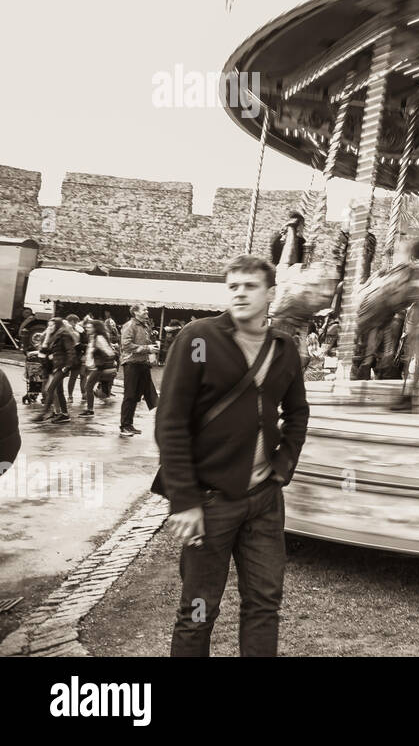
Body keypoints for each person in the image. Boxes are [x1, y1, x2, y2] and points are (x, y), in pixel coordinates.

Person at [153, 254, 310, 657]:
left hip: (263, 501)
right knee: (199, 610)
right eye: (233, 286)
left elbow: (297, 412)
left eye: (250, 286)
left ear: (270, 294)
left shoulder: (283, 348)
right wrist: (184, 501)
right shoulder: (199, 338)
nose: (239, 293)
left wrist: (283, 466)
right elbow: (170, 422)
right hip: (209, 500)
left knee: (264, 604)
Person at [119, 303, 157, 437]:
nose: (147, 311)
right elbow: (126, 345)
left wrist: (150, 350)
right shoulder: (129, 326)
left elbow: (144, 343)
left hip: (143, 363)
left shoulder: (145, 326)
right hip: (132, 363)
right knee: (130, 395)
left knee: (136, 396)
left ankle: (129, 424)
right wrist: (147, 349)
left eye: (147, 309)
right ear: (135, 312)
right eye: (144, 310)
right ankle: (124, 426)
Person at [33, 317, 76, 423]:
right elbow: (44, 349)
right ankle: (65, 415)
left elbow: (71, 351)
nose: (49, 327)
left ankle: (43, 414)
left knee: (50, 389)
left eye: (52, 325)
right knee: (59, 391)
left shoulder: (64, 334)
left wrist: (67, 366)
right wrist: (47, 334)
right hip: (56, 366)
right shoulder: (54, 335)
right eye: (49, 325)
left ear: (57, 325)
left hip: (62, 366)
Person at [80, 321, 117, 417]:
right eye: (87, 327)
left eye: (90, 327)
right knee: (88, 387)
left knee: (88, 387)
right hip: (93, 367)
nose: (87, 329)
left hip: (98, 367)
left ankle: (90, 410)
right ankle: (90, 408)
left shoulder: (99, 338)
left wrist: (97, 352)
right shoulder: (92, 337)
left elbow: (110, 353)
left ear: (95, 328)